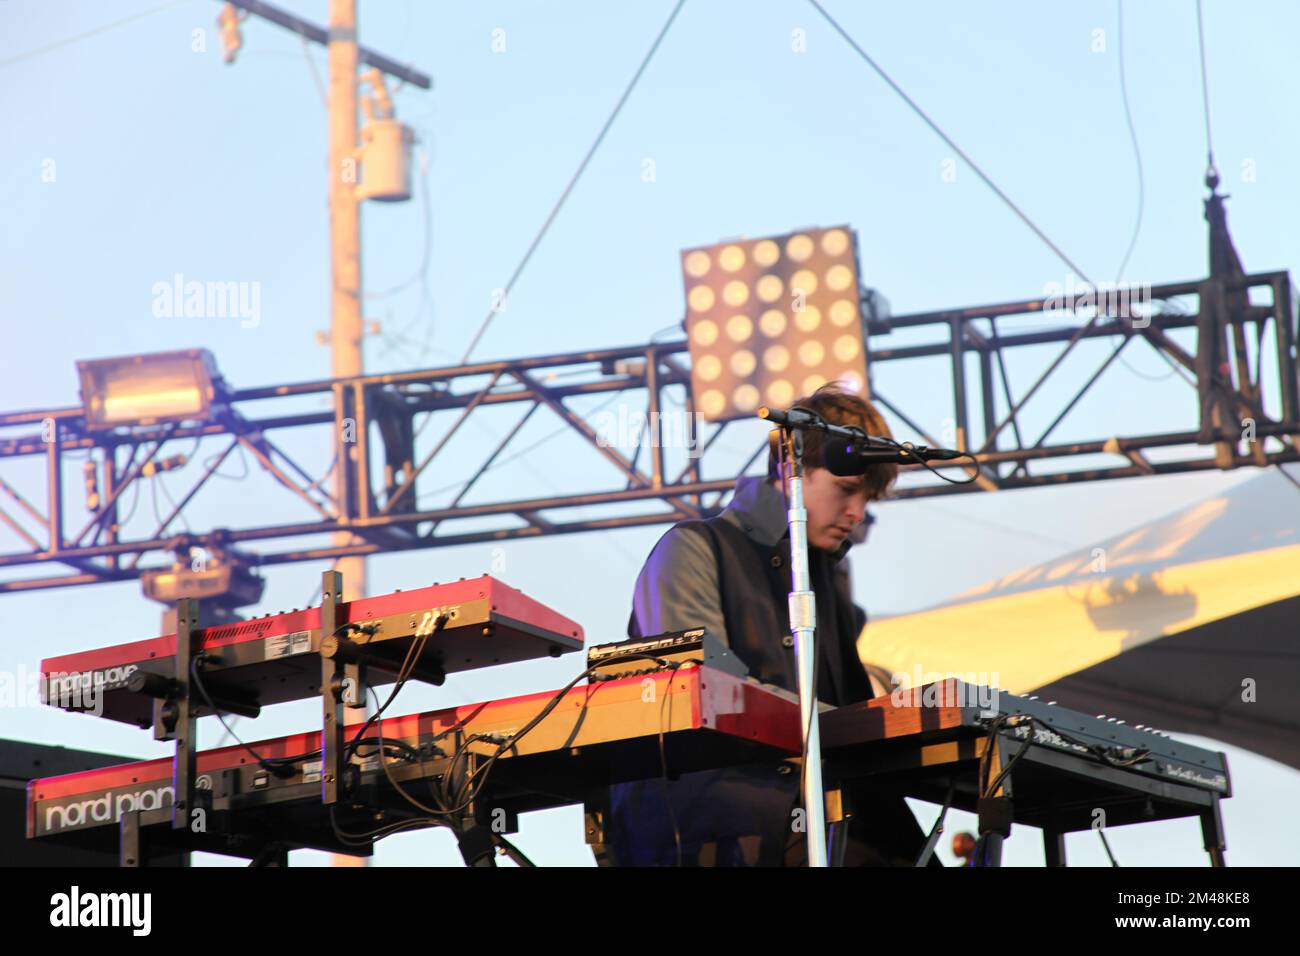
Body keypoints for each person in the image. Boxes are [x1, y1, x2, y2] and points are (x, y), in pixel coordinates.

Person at [605, 383, 934, 866]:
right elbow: (704, 697)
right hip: (715, 815)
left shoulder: (827, 578)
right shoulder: (693, 548)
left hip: (819, 805)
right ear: (790, 467)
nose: (856, 514)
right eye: (846, 490)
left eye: (867, 499)